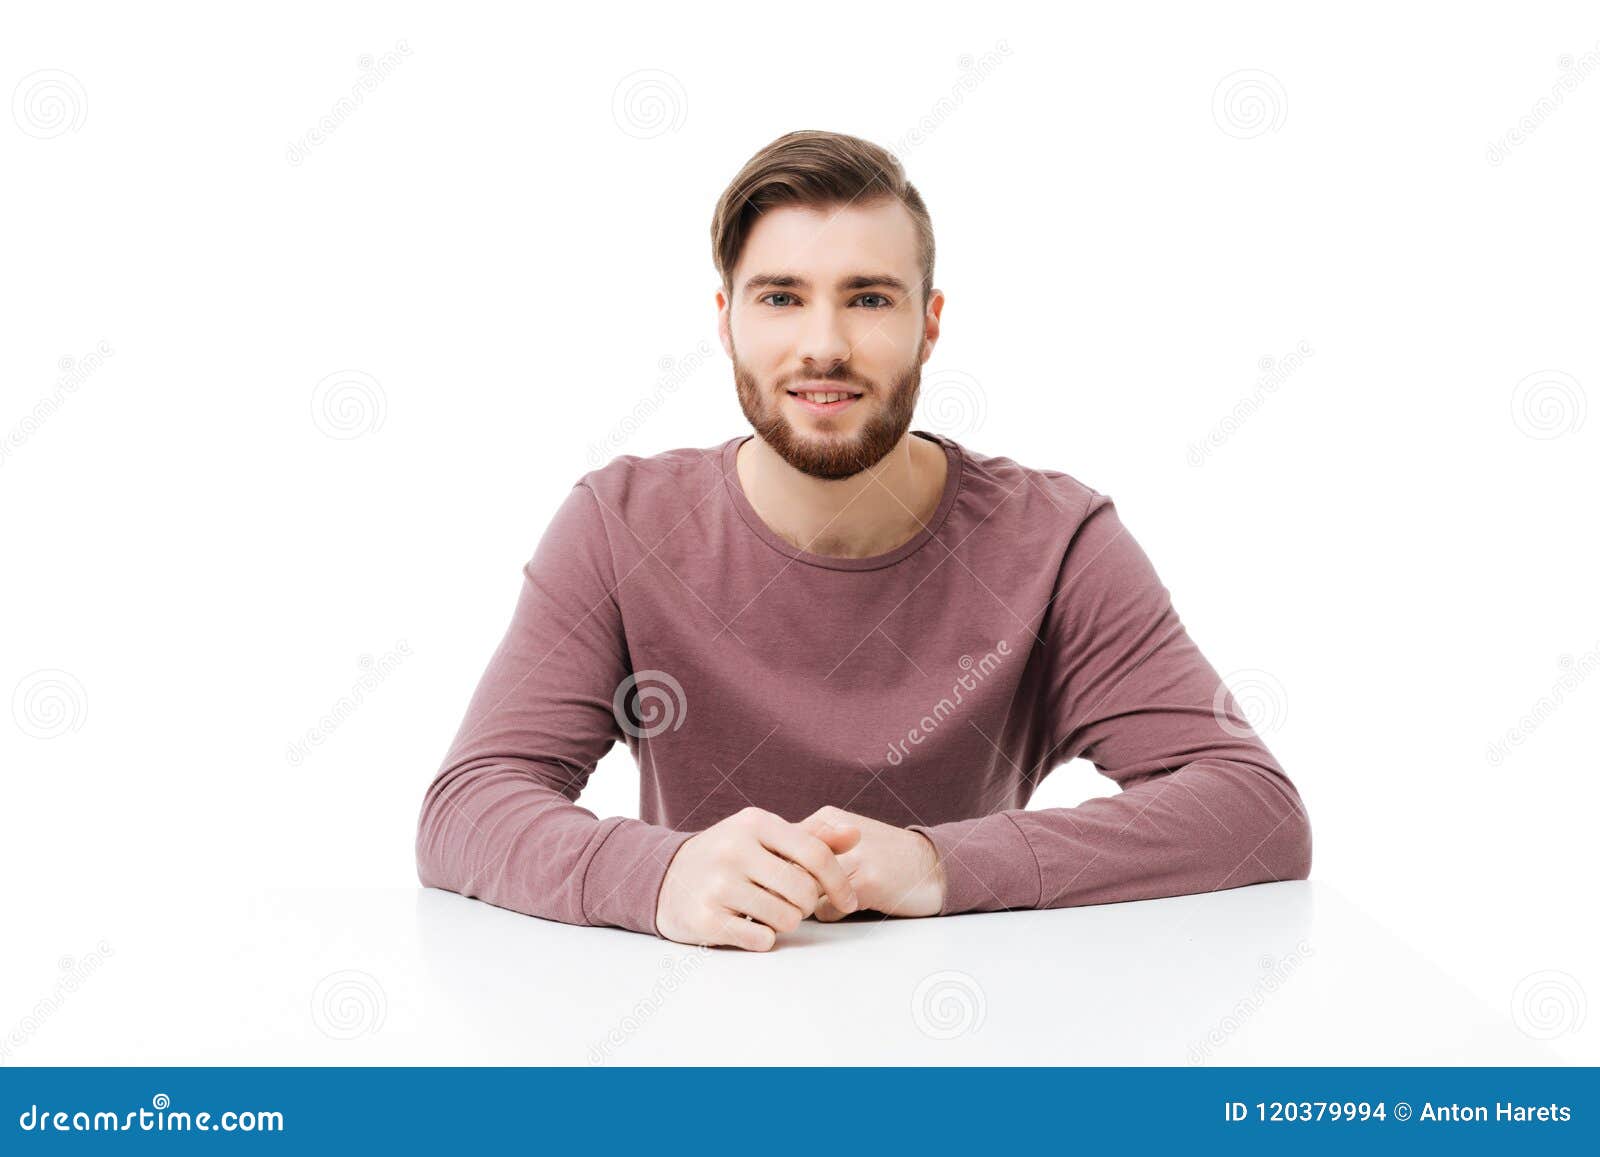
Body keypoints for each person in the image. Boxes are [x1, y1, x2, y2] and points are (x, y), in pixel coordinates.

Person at [414, 129, 1312, 951]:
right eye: (781, 297)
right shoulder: (622, 525)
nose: (825, 345)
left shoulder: (1059, 541)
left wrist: (939, 865)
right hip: (701, 1027)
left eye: (869, 298)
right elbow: (467, 807)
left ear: (929, 321)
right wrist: (660, 874)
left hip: (976, 1034)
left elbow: (1255, 810)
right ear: (726, 319)